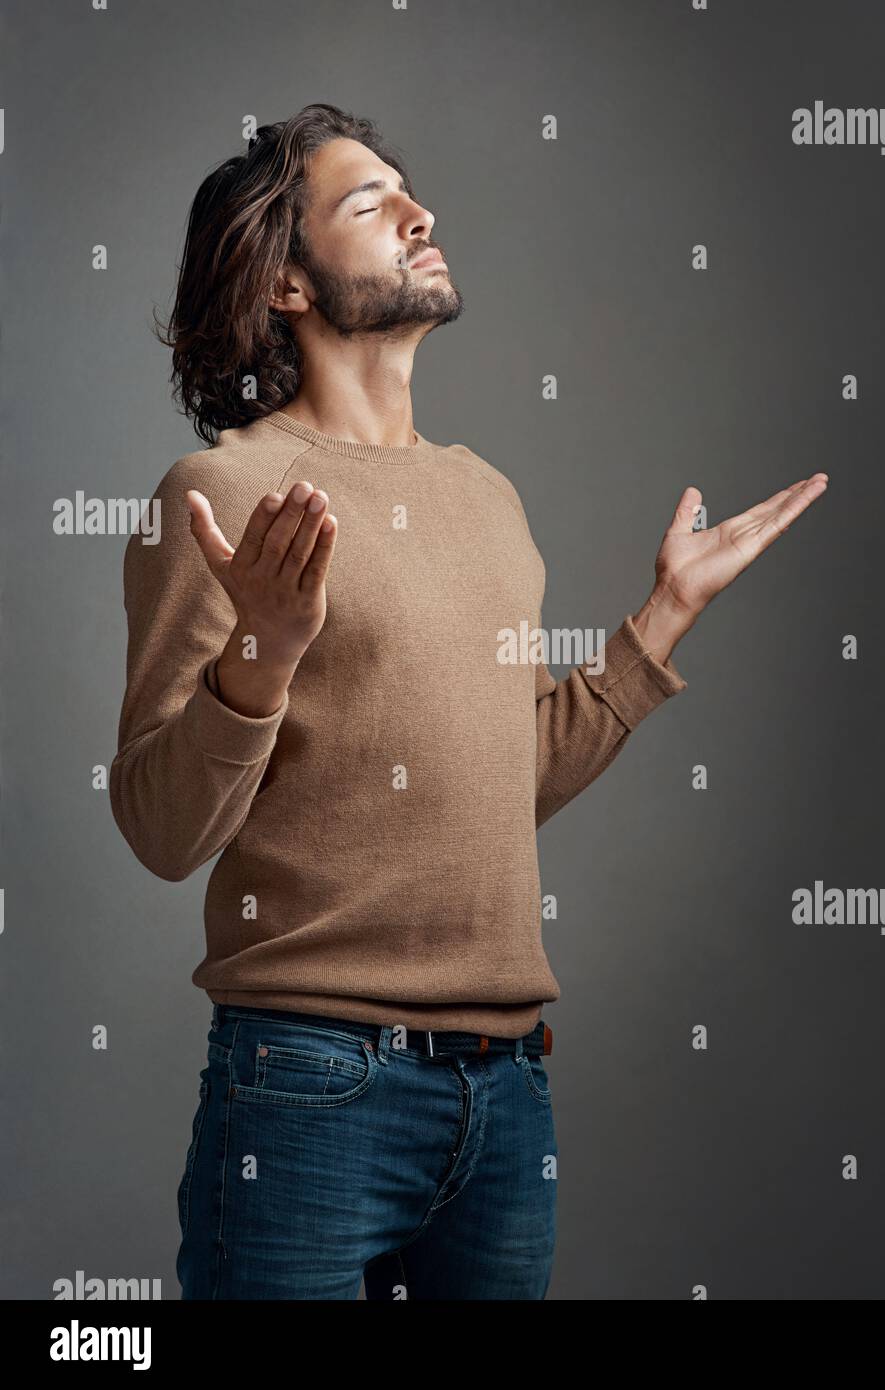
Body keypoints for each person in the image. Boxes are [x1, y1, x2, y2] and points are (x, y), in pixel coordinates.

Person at [110, 102, 828, 1300]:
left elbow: (497, 781)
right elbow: (159, 827)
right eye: (368, 202)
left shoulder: (486, 495)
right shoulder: (220, 492)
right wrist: (261, 658)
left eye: (410, 191)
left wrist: (660, 623)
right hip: (306, 1089)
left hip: (507, 1096)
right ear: (286, 281)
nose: (418, 213)